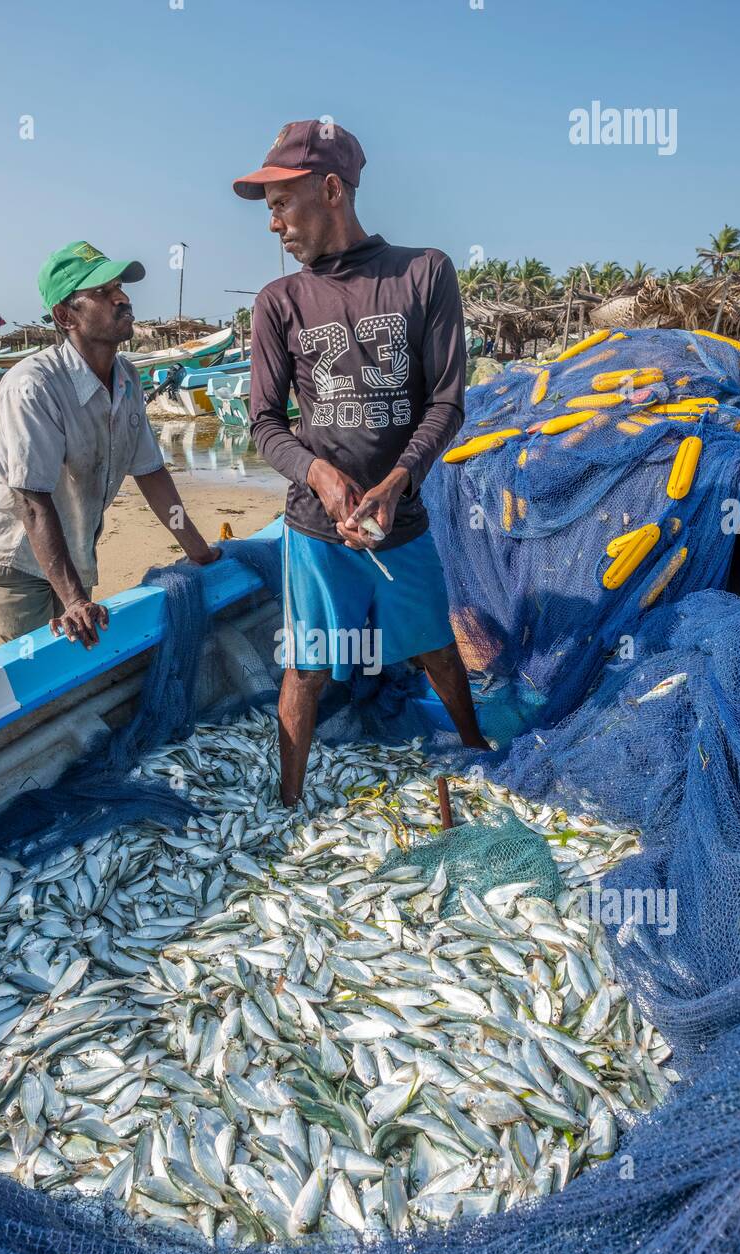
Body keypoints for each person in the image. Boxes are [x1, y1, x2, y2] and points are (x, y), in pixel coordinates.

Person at [233, 120, 487, 804]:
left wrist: (397, 482)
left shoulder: (423, 272)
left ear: (333, 190)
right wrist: (317, 473)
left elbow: (445, 403)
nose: (274, 224)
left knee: (435, 645)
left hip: (399, 521)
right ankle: (288, 801)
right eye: (269, 211)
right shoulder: (277, 303)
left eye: (281, 204)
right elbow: (263, 422)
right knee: (309, 671)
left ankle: (480, 757)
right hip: (318, 533)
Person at [0, 240, 218, 647]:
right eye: (102, 293)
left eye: (119, 287)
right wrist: (76, 600)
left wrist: (198, 550)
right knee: (44, 666)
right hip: (17, 558)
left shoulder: (127, 378)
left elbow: (152, 475)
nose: (122, 298)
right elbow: (31, 501)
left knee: (77, 647)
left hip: (72, 551)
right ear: (65, 315)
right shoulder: (33, 386)